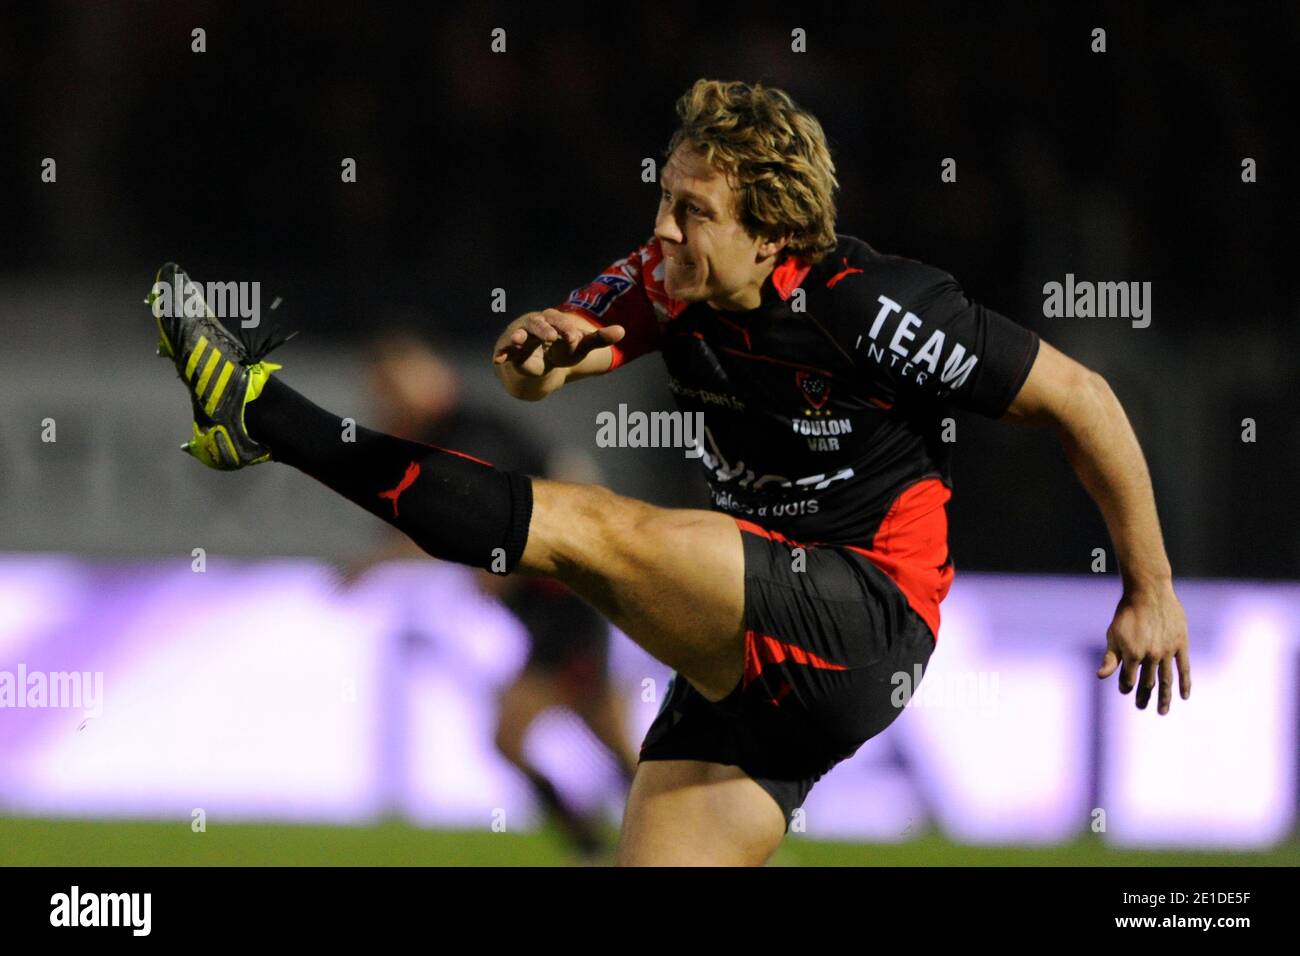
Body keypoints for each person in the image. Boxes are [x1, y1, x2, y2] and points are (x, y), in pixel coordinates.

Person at [146, 78, 1191, 866]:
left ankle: (261, 416)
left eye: (693, 210)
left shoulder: (870, 306)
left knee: (591, 526)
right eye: (664, 197)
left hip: (861, 614)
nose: (662, 227)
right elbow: (548, 369)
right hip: (750, 664)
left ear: (771, 228)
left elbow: (1080, 397)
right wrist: (539, 356)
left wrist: (1147, 587)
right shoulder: (667, 278)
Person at [347, 333, 638, 859]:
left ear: (429, 375)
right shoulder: (445, 440)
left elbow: (520, 503)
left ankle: (595, 844)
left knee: (519, 736)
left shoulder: (468, 435)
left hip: (566, 607)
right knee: (610, 744)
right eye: (382, 388)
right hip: (553, 611)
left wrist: (498, 562)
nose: (387, 399)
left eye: (393, 383)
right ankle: (654, 844)